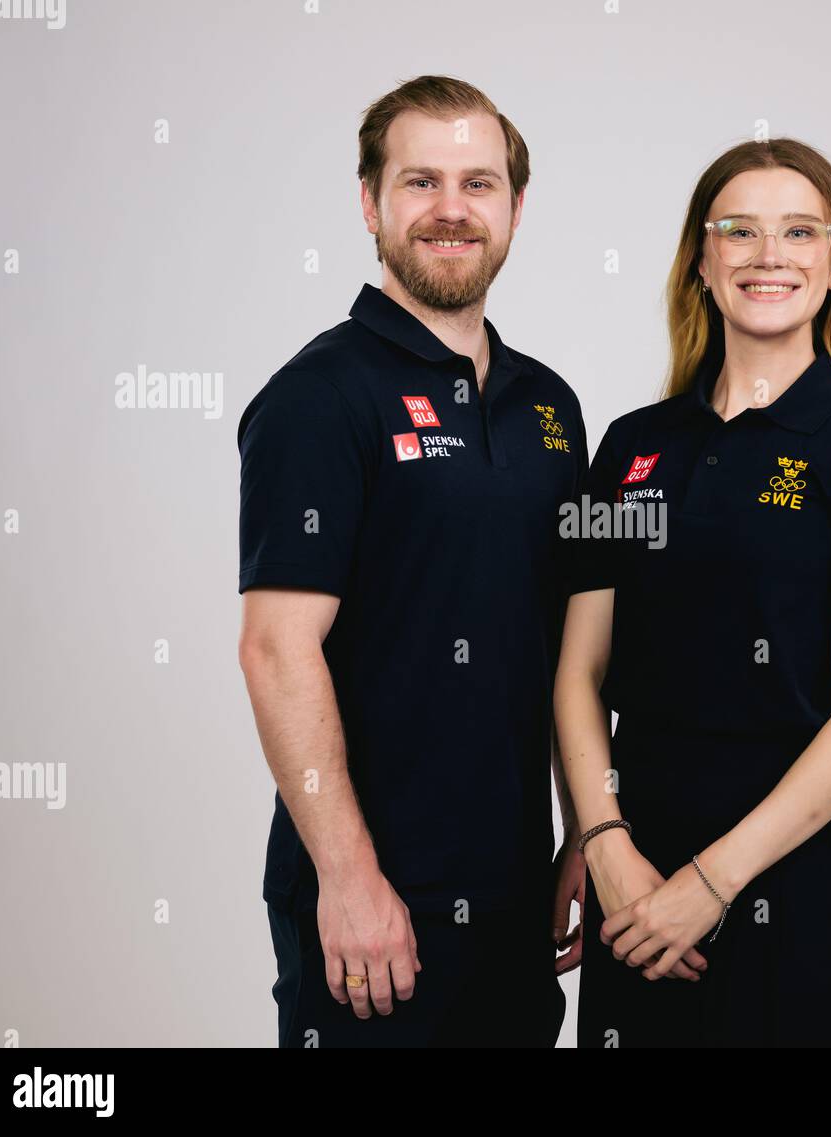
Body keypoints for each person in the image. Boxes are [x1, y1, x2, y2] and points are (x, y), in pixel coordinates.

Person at [554, 138, 831, 1047]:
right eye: (740, 231)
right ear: (702, 260)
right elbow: (576, 670)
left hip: (779, 885)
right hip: (628, 880)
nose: (770, 254)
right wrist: (602, 842)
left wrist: (709, 885)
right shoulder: (627, 448)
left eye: (800, 231)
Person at [237, 75, 585, 1047]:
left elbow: (570, 646)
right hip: (376, 900)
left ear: (515, 207)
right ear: (369, 203)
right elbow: (275, 651)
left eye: (478, 183)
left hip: (516, 893)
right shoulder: (318, 397)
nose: (450, 209)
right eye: (420, 180)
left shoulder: (550, 407)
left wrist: (586, 829)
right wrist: (348, 879)